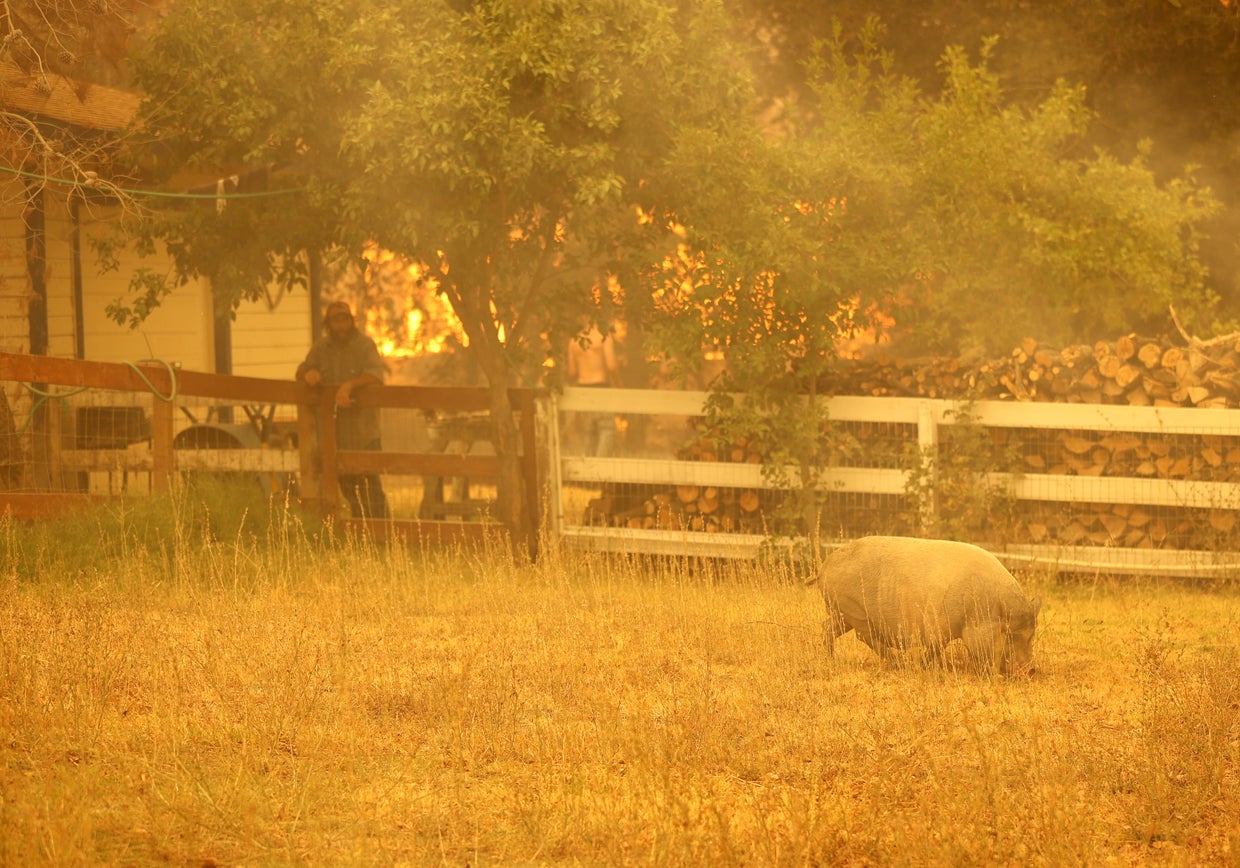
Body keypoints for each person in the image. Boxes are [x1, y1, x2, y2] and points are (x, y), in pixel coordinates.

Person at [296, 301, 389, 518]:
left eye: (344, 318)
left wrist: (349, 385)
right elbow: (302, 370)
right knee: (348, 489)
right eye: (335, 320)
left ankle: (384, 533)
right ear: (328, 324)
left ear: (351, 320)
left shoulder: (365, 345)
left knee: (372, 489)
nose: (341, 324)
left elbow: (376, 375)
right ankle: (361, 536)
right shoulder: (321, 348)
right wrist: (308, 374)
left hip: (364, 433)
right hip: (335, 435)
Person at [566, 319, 618, 456]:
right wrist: (618, 384)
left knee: (589, 431)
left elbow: (571, 372)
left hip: (582, 387)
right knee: (606, 429)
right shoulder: (603, 337)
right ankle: (601, 467)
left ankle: (588, 468)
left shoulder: (574, 340)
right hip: (600, 386)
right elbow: (611, 365)